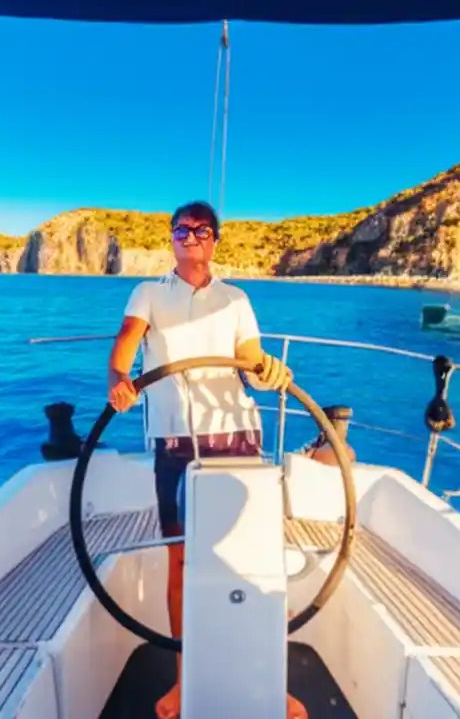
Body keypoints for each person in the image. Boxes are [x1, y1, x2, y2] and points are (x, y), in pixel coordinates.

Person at [106, 200, 305, 719]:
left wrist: (270, 374)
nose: (189, 237)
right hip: (175, 443)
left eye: (199, 230)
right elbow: (125, 347)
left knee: (253, 557)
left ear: (215, 239)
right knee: (181, 562)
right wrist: (118, 381)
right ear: (171, 239)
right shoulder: (148, 292)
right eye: (180, 230)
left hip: (235, 435)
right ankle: (183, 678)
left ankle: (271, 681)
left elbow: (252, 361)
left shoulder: (236, 299)